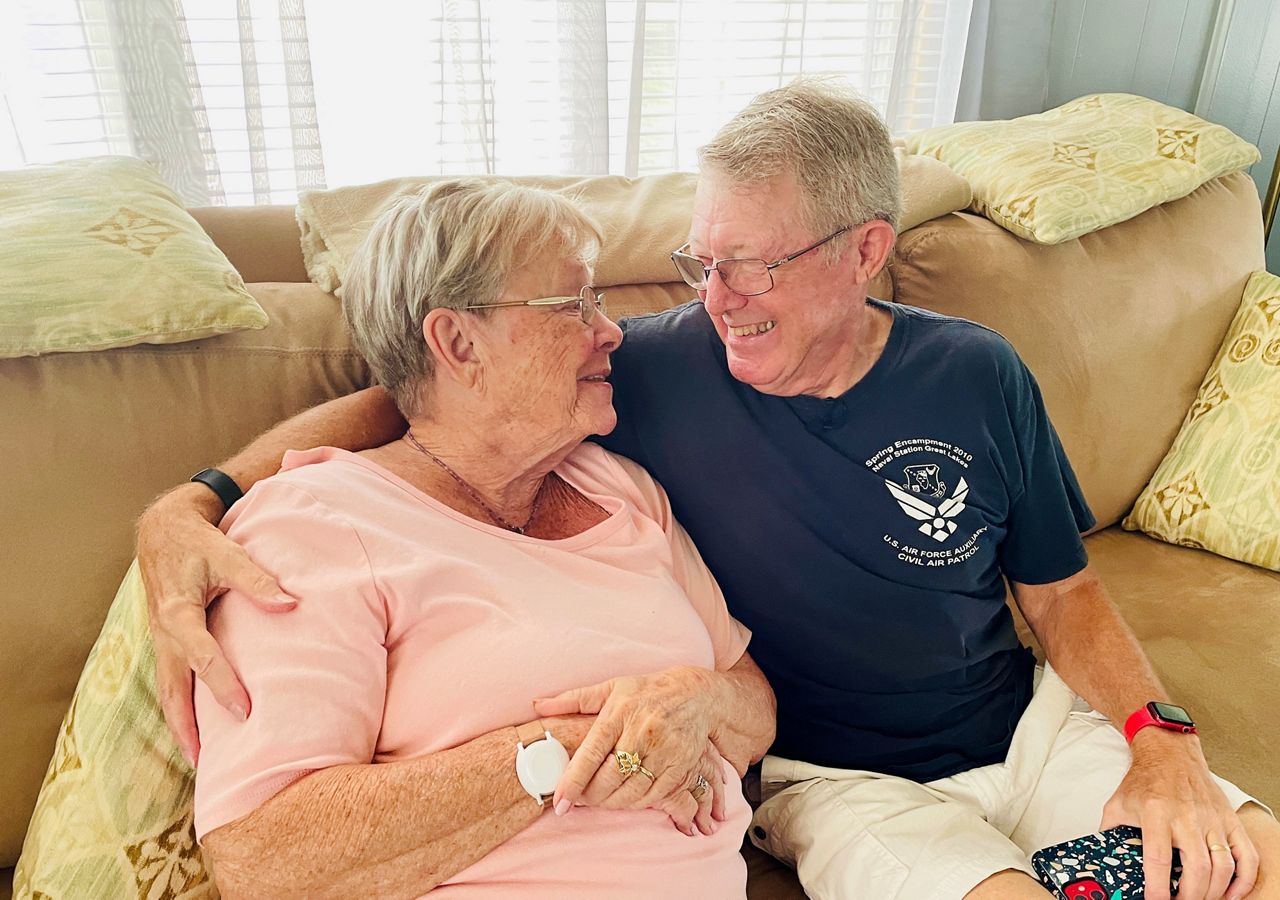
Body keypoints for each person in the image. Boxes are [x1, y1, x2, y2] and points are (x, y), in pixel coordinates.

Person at [138, 78, 1279, 900]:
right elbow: (424, 400)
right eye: (702, 261)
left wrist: (1157, 734)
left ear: (865, 249)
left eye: (755, 264)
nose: (714, 299)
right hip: (836, 785)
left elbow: (1060, 595)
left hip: (1025, 729)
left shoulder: (960, 375)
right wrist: (197, 496)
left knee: (1245, 860)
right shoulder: (646, 372)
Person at [181, 178, 776, 898]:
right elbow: (262, 860)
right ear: (458, 342)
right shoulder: (315, 524)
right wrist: (566, 750)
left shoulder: (618, 488)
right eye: (574, 304)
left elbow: (751, 700)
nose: (611, 330)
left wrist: (696, 703)